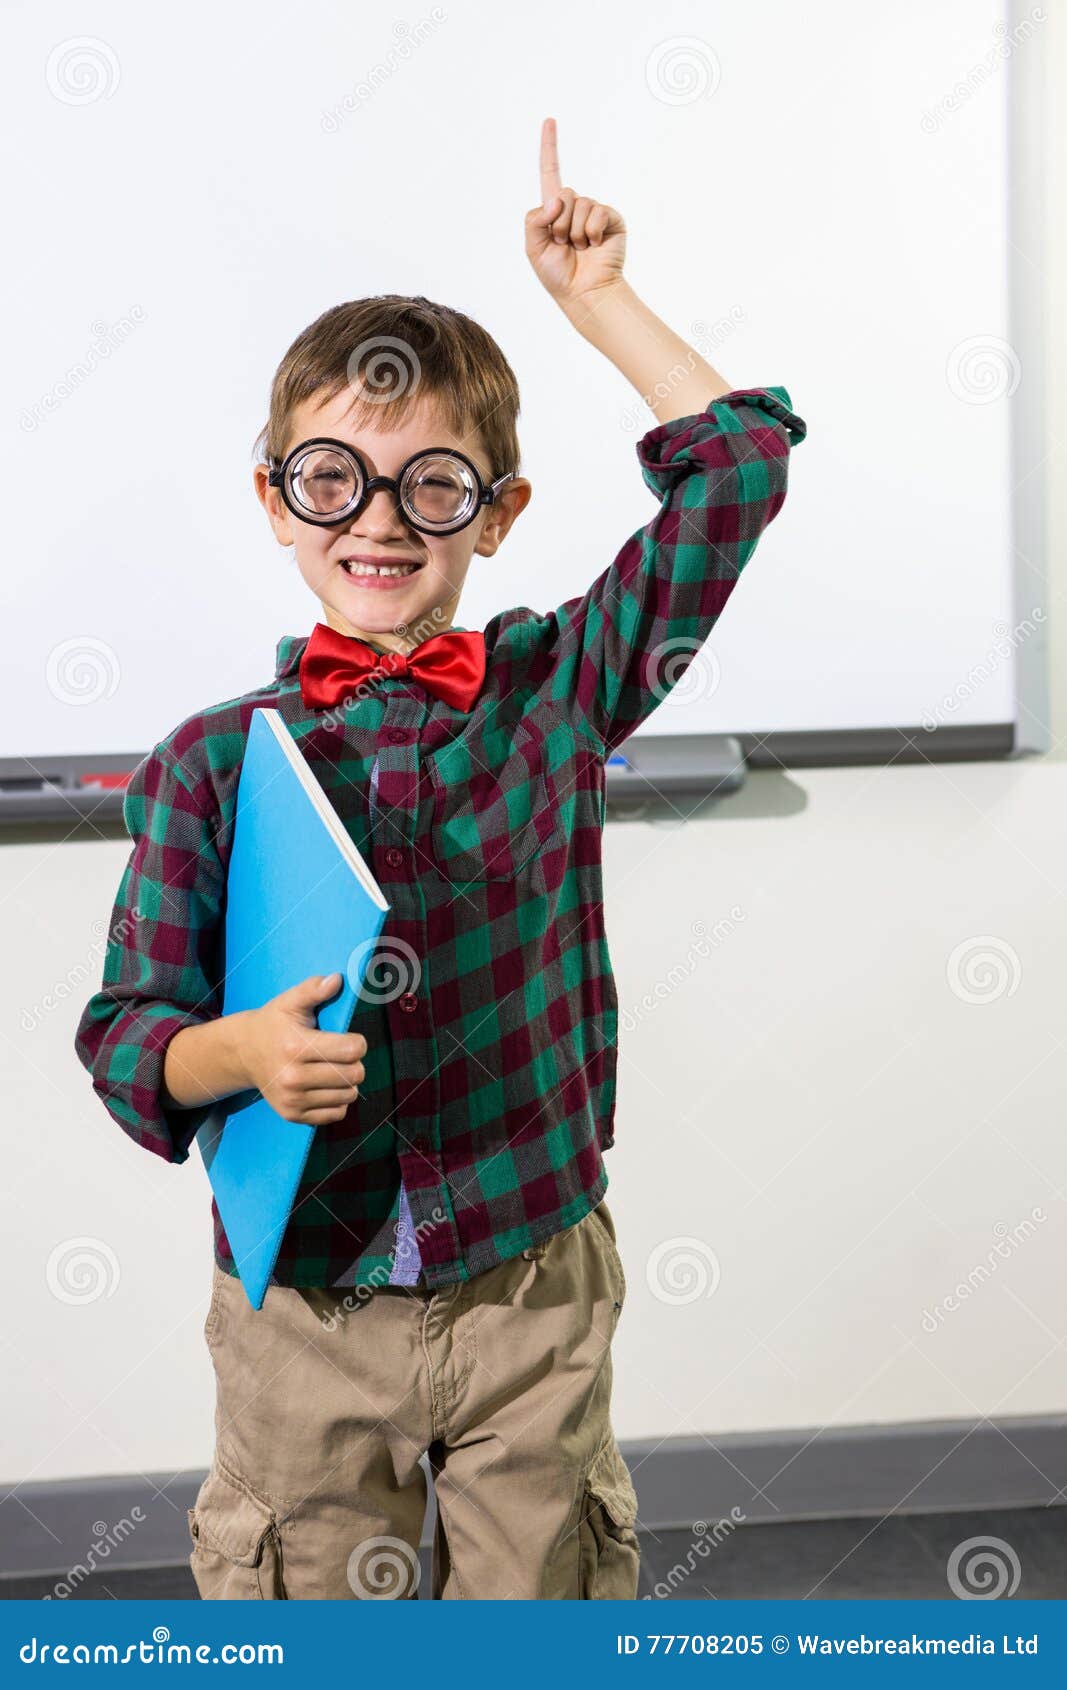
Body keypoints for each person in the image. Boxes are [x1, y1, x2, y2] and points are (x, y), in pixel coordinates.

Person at [74, 117, 806, 1600]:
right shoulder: (214, 761)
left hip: (529, 1274)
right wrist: (240, 1054)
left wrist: (597, 302)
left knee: (539, 1617)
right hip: (304, 1305)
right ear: (278, 497)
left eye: (436, 485)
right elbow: (125, 1040)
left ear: (500, 511)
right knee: (311, 1625)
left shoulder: (556, 690)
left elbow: (736, 477)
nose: (384, 522)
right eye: (337, 478)